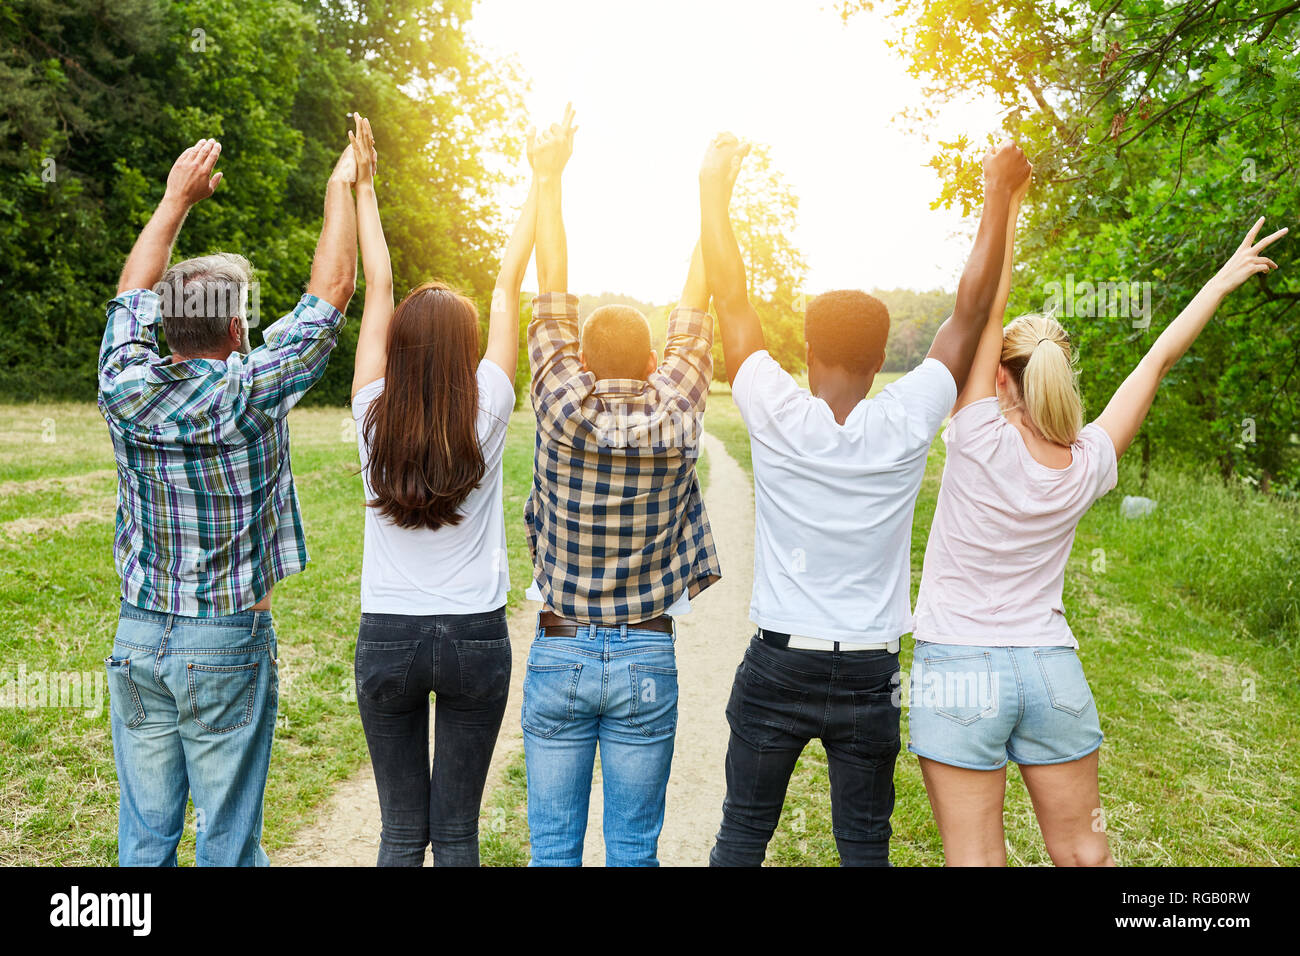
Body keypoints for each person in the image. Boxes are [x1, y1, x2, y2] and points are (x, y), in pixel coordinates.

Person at [909, 204, 1287, 866]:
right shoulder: (1089, 461)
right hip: (1052, 672)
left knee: (973, 859)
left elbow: (986, 309)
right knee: (1086, 853)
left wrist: (1010, 202)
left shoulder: (975, 435)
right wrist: (1220, 281)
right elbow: (1159, 359)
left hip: (961, 669)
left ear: (1000, 376)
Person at [700, 132, 1032, 866]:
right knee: (863, 847)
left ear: (807, 354)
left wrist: (714, 192)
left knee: (741, 837)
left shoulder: (775, 408)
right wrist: (998, 195)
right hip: (871, 675)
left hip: (778, 665)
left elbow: (730, 295)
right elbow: (969, 312)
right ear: (884, 359)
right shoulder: (909, 413)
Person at [98, 131, 358, 865]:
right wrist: (340, 188)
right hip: (226, 640)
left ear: (162, 325)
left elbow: (128, 296)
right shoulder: (251, 391)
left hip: (138, 639)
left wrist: (175, 200)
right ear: (239, 327)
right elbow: (330, 295)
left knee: (144, 839)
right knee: (228, 840)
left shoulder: (123, 388)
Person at [521, 106, 720, 867]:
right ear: (647, 363)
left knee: (552, 850)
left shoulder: (560, 401)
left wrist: (549, 176)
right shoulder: (674, 405)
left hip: (561, 652)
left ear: (577, 354)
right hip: (646, 658)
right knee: (635, 849)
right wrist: (714, 197)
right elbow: (695, 311)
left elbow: (551, 289)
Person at [347, 114, 534, 866]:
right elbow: (506, 282)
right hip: (473, 637)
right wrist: (541, 180)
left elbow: (379, 284)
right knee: (456, 832)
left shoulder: (370, 414)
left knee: (399, 831)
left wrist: (365, 186)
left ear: (398, 346)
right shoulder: (489, 403)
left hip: (387, 636)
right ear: (465, 351)